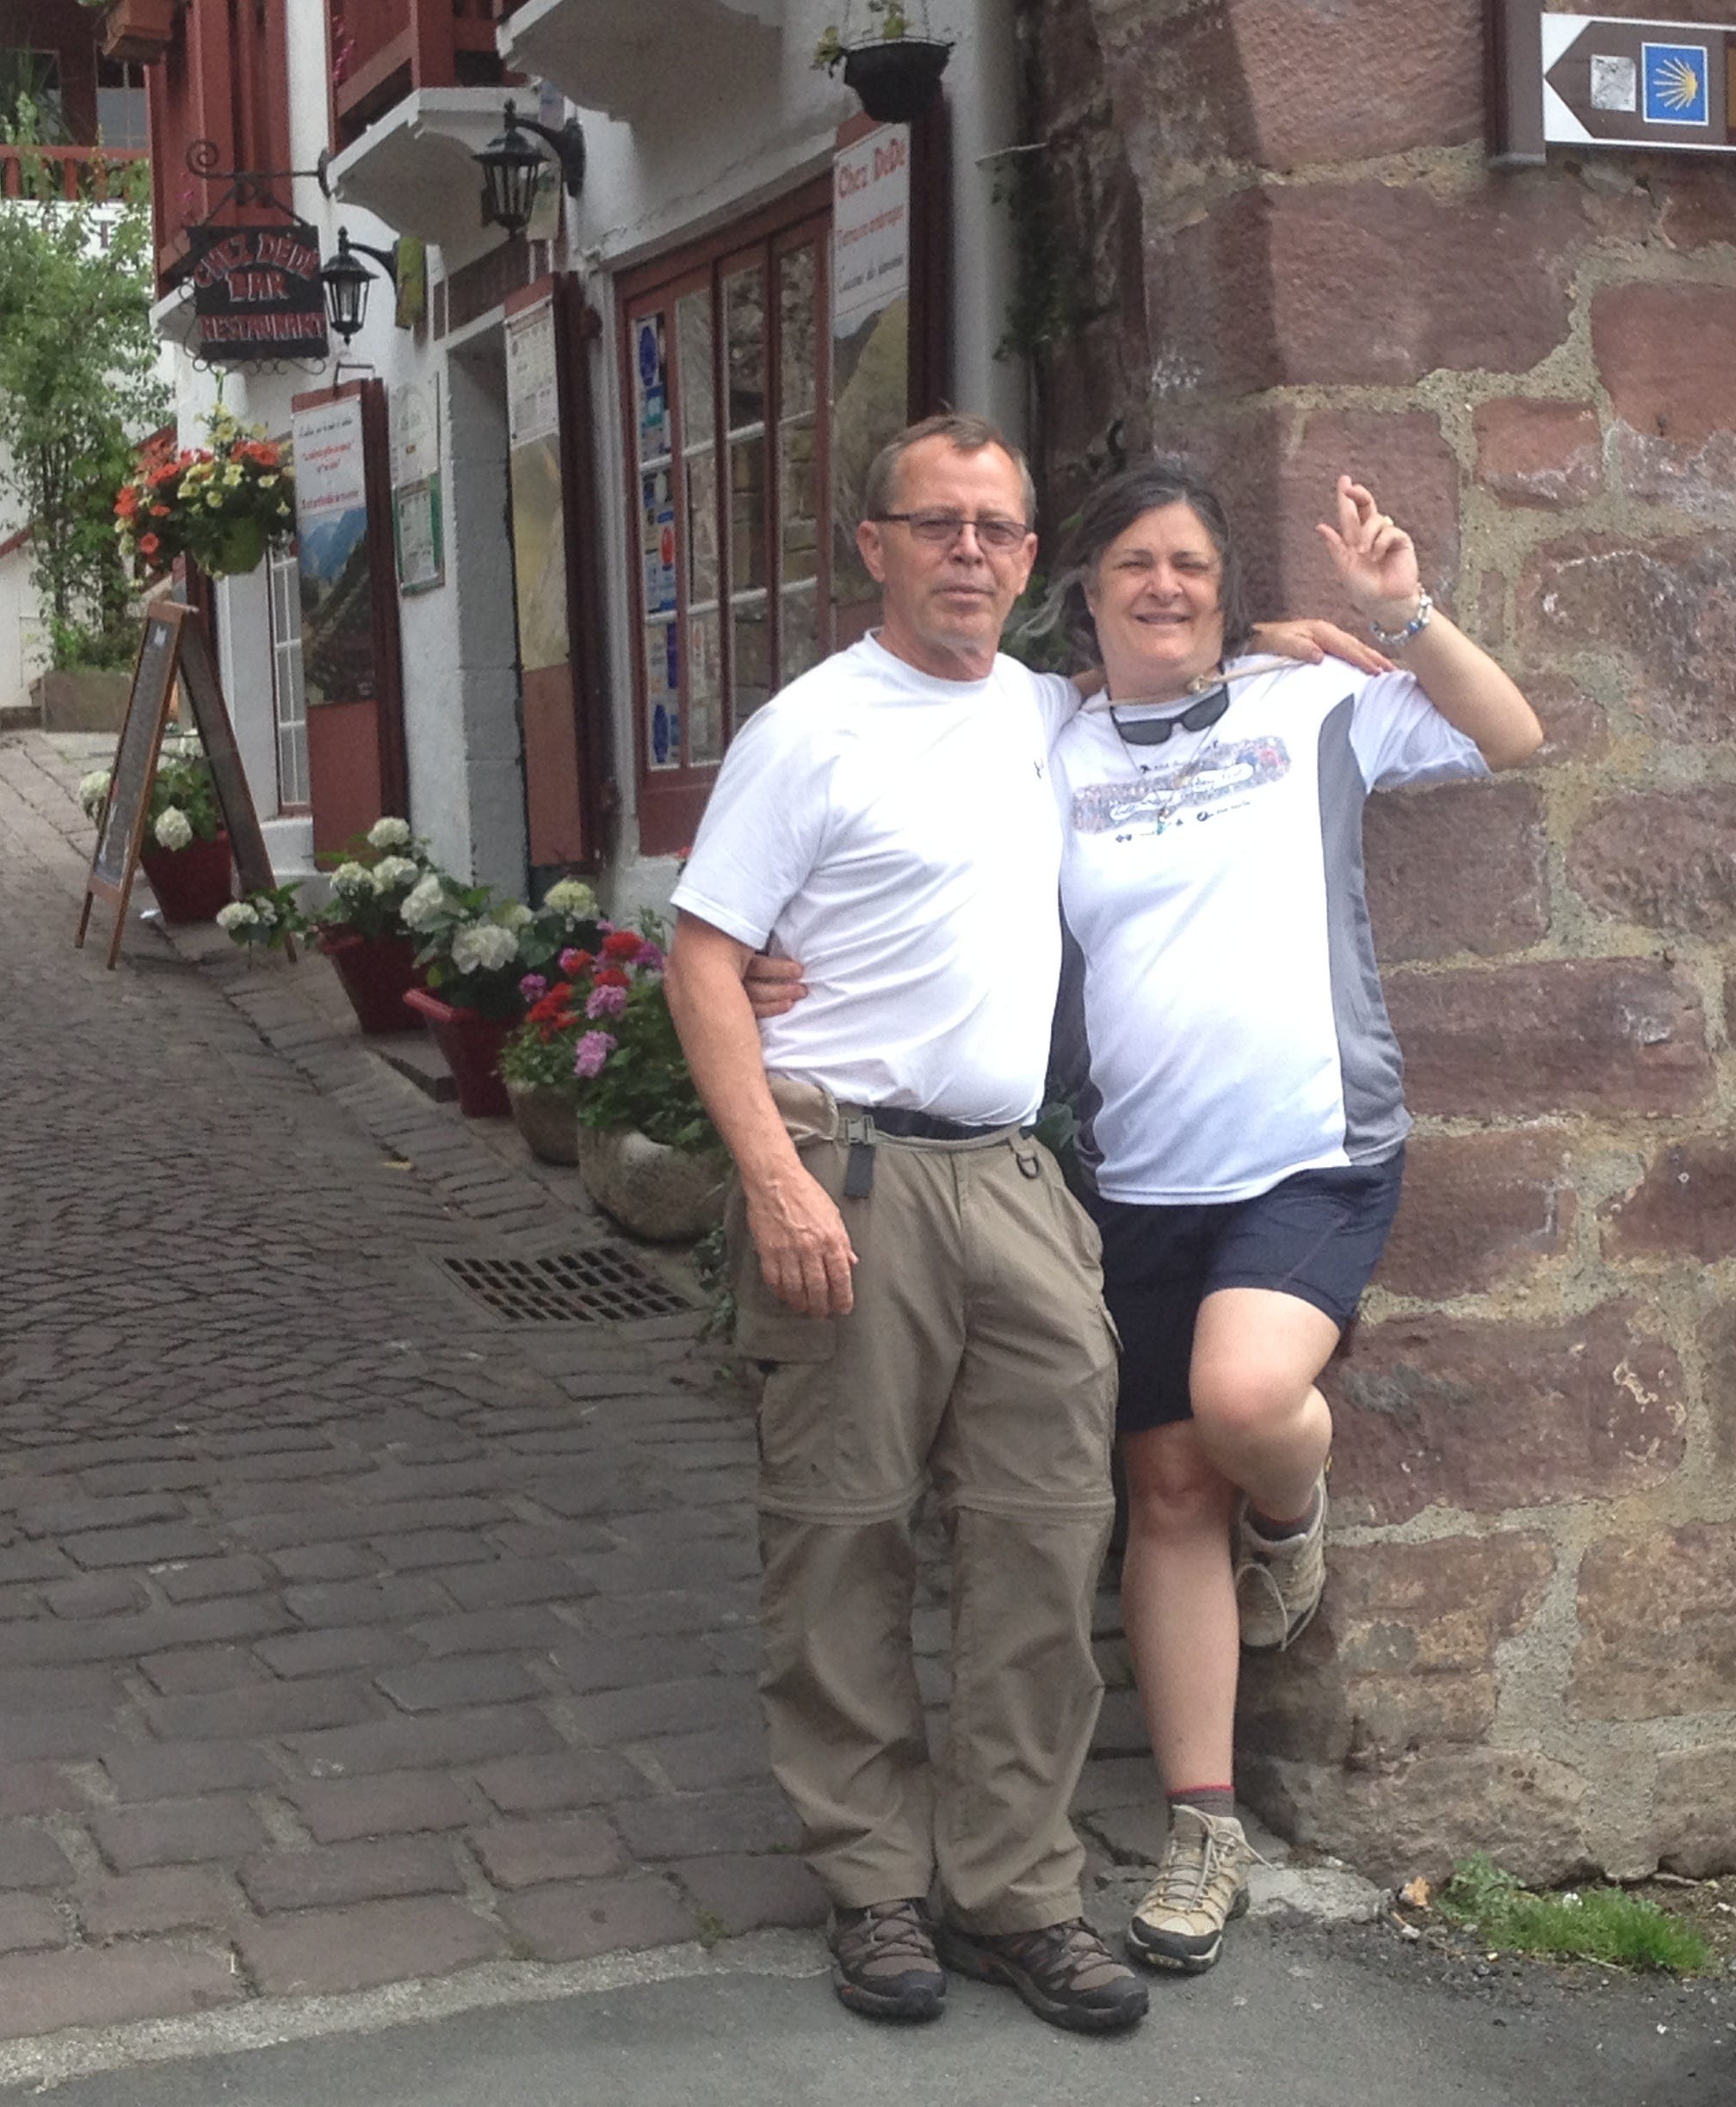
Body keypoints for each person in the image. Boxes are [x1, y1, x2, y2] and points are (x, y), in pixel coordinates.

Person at [666, 415, 1372, 2036]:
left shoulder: (1050, 720)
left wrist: (1268, 642)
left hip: (1012, 1173)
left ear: (1029, 560)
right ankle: (873, 1887)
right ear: (877, 547)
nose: (968, 551)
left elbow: (1168, 669)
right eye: (937, 523)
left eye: (996, 526)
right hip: (849, 1165)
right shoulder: (811, 730)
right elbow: (709, 959)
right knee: (844, 1528)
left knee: (1047, 1533)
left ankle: (1014, 1889)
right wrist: (772, 1173)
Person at [1038, 465, 1541, 1975]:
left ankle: (1297, 1509)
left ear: (1227, 585)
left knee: (1245, 1401)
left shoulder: (1306, 705)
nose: (1164, 587)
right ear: (1088, 592)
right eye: (1135, 564)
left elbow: (1508, 734)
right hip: (1139, 1177)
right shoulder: (1044, 744)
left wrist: (1404, 611)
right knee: (1167, 1494)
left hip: (1312, 1151)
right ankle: (1203, 1827)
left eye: (1192, 563)